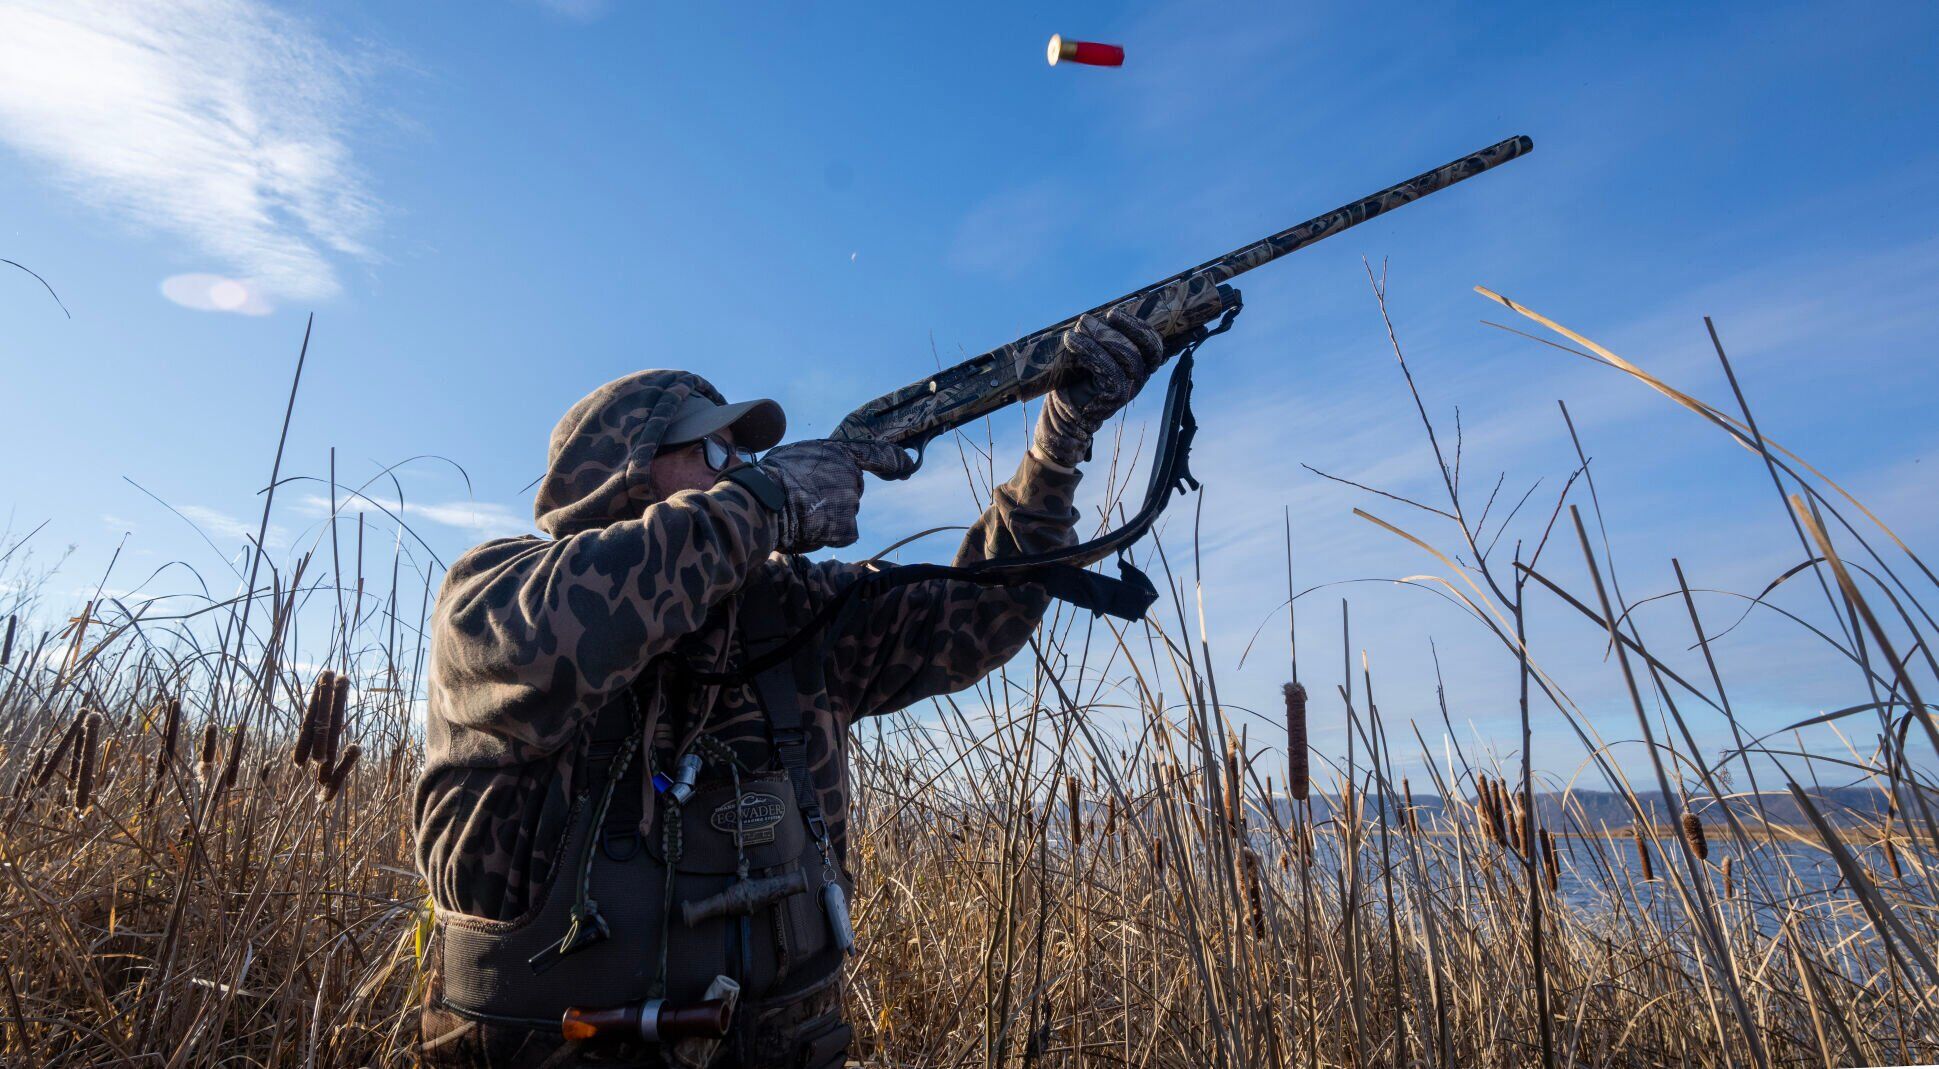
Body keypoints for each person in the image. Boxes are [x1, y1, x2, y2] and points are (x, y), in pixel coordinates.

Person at [414, 309, 1165, 1068]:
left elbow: (977, 611)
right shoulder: (494, 595)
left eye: (743, 454)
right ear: (621, 471)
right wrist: (766, 501)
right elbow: (584, 619)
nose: (736, 466)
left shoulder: (794, 611)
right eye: (712, 449)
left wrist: (1058, 444)